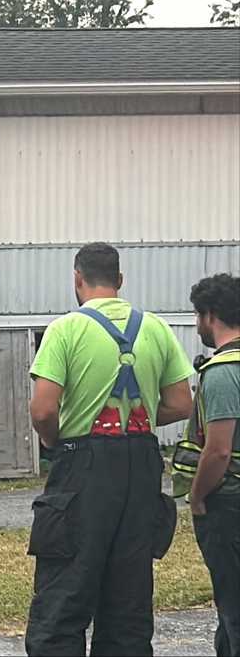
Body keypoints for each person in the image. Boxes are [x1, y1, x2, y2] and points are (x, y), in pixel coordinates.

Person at [24, 243, 194, 656]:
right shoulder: (155, 328)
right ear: (120, 281)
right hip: (141, 469)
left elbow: (44, 408)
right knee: (128, 602)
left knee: (65, 593)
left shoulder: (65, 329)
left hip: (83, 466)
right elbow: (182, 403)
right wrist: (142, 414)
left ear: (77, 279)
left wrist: (55, 439)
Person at [178, 274, 240, 657]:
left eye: (197, 316)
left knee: (232, 606)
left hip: (229, 505)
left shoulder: (221, 373)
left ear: (210, 316)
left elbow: (217, 451)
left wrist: (197, 497)